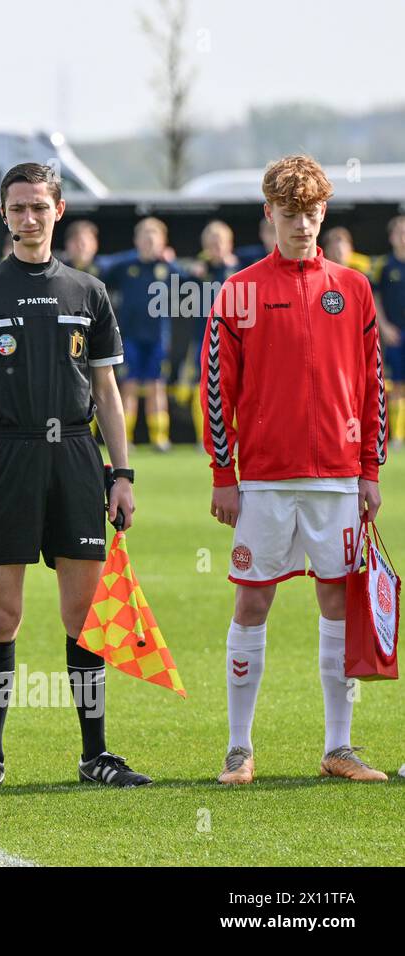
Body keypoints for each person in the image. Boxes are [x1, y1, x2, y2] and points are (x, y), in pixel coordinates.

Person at [0, 162, 149, 791]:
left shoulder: (88, 293)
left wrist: (122, 472)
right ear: (3, 214)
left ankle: (94, 755)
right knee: (2, 615)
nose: (28, 218)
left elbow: (108, 391)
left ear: (58, 211)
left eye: (39, 207)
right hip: (7, 458)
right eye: (17, 208)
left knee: (83, 615)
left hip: (77, 460)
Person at [203, 155, 388, 785]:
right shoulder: (240, 290)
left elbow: (373, 386)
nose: (303, 225)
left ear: (324, 213)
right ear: (269, 215)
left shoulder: (355, 288)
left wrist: (370, 470)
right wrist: (223, 475)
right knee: (253, 600)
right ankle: (238, 746)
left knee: (336, 602)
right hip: (262, 478)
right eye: (290, 214)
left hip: (338, 477)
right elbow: (216, 390)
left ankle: (339, 746)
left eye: (312, 214)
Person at [102, 218, 187, 451]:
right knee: (128, 386)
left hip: (158, 336)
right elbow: (101, 271)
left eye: (154, 237)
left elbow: (189, 283)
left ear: (162, 241)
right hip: (129, 336)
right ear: (136, 240)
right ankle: (125, 439)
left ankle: (160, 439)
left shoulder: (167, 267)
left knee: (156, 386)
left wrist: (174, 263)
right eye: (145, 237)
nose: (149, 242)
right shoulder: (125, 265)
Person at [181, 221, 241, 447]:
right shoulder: (198, 271)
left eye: (220, 242)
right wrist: (192, 272)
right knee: (206, 385)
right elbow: (177, 288)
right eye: (211, 243)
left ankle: (236, 435)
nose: (216, 247)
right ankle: (203, 437)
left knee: (237, 387)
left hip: (237, 337)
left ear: (229, 244)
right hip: (205, 338)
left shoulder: (239, 268)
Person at [372, 216, 405, 447]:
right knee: (396, 385)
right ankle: (397, 437)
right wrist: (384, 327)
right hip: (395, 333)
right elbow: (375, 297)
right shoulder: (384, 265)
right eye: (399, 233)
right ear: (392, 237)